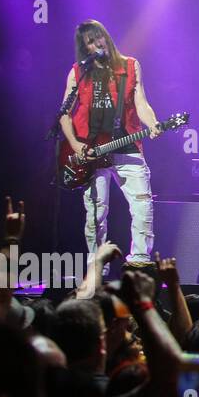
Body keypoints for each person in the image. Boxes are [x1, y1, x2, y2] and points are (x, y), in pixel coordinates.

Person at [58, 20, 164, 267]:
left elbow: (141, 103)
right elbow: (64, 113)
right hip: (91, 150)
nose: (97, 44)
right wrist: (74, 144)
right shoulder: (77, 72)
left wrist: (153, 123)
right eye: (90, 43)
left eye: (98, 38)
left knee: (142, 204)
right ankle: (98, 266)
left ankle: (139, 261)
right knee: (96, 212)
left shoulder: (129, 66)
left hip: (127, 147)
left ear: (106, 36)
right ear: (84, 48)